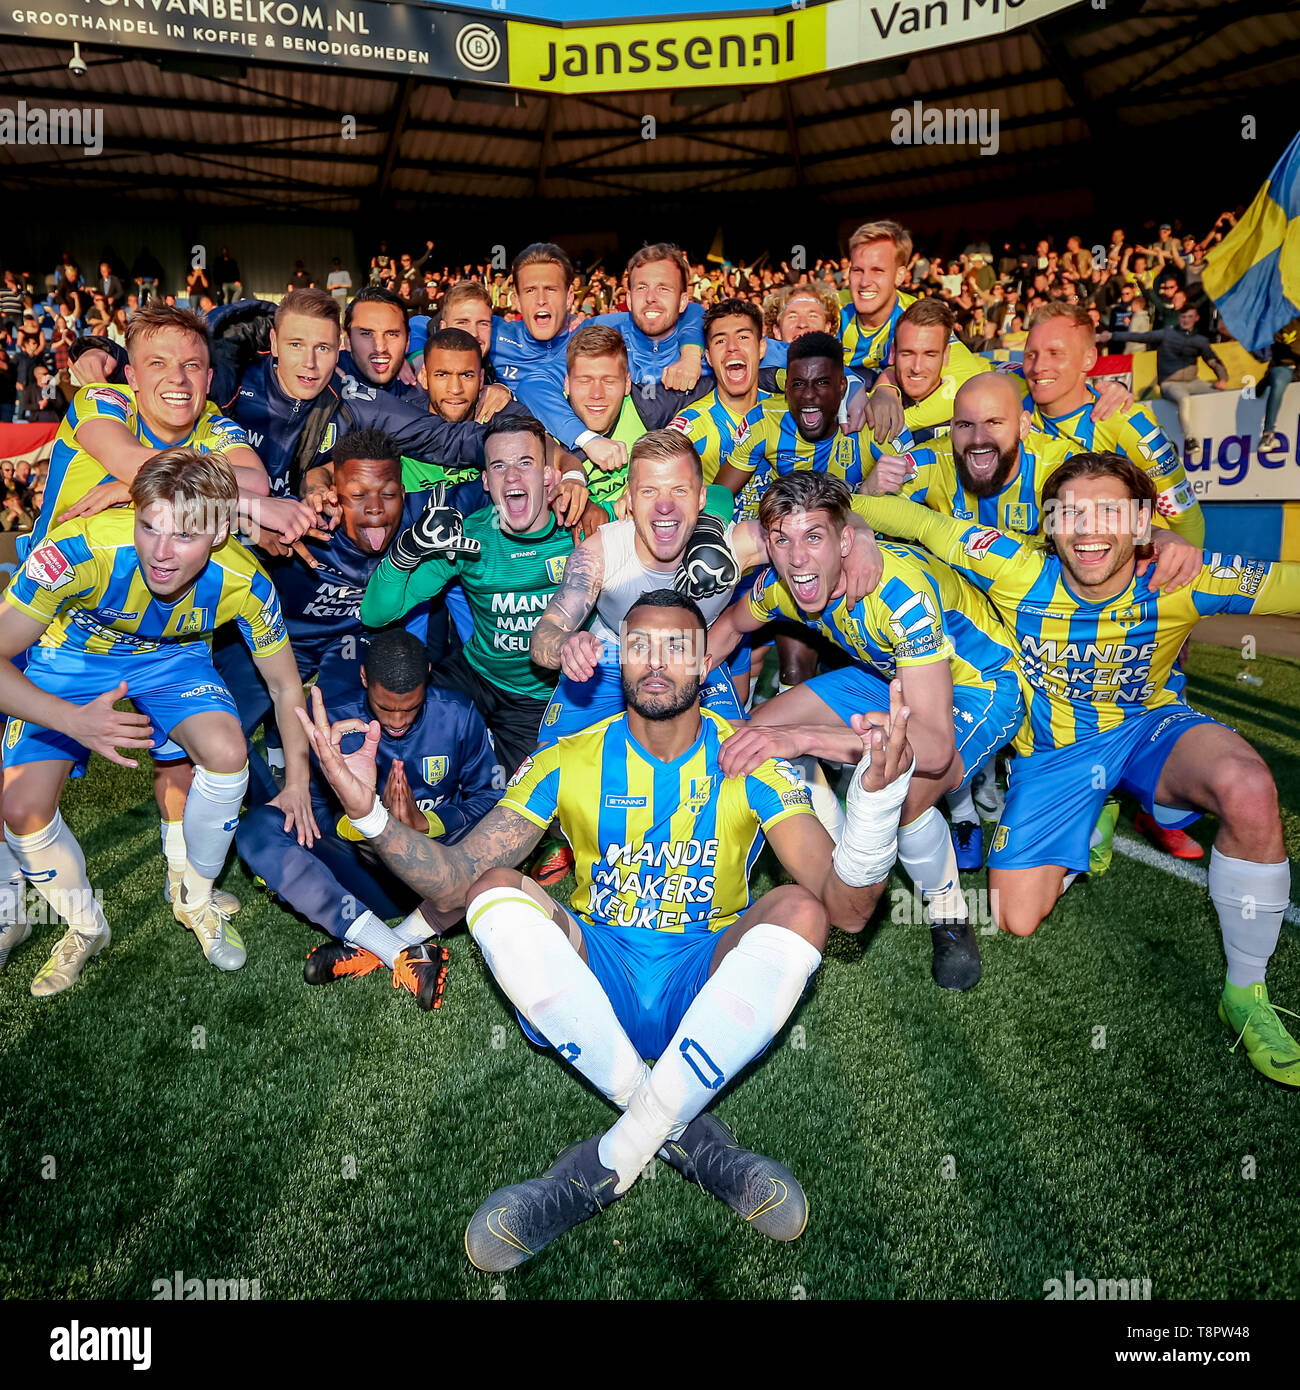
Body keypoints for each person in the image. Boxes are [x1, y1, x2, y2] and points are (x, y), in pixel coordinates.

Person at [296, 589, 917, 1268]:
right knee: (495, 892)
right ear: (620, 658)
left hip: (705, 985)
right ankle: (686, 1134)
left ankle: (600, 1167)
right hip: (596, 983)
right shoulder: (568, 759)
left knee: (801, 908)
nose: (656, 660)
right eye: (640, 644)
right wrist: (373, 817)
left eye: (677, 646)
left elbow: (849, 910)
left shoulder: (751, 759)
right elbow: (454, 882)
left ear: (706, 663)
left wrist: (878, 806)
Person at [856, 454, 1300, 1087]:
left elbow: (1288, 583)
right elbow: (921, 523)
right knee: (1015, 918)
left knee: (1250, 787)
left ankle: (1247, 996)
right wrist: (847, 519)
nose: (1089, 529)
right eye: (1072, 513)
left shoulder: (1184, 576)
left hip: (1149, 731)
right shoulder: (1015, 567)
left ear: (1144, 520)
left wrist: (1181, 543)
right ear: (1049, 522)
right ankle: (1097, 815)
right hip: (1053, 761)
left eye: (1110, 511)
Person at [0, 450, 314, 995]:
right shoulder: (79, 549)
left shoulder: (244, 580)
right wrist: (72, 720)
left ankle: (195, 899)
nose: (162, 553)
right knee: (21, 811)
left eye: (185, 536)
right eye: (150, 527)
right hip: (74, 658)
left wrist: (299, 782)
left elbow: (286, 685)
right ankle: (85, 924)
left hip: (172, 660)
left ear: (219, 533)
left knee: (227, 750)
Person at [709, 472, 1025, 988]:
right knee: (750, 739)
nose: (798, 559)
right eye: (783, 540)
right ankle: (836, 858)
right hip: (888, 674)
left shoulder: (897, 595)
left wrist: (807, 738)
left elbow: (935, 747)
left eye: (814, 536)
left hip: (978, 685)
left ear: (845, 541)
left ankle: (949, 916)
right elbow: (725, 632)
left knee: (906, 792)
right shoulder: (782, 585)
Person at [237, 628, 497, 1006]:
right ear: (363, 680)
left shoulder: (457, 715)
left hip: (438, 880)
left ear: (427, 676)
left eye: (409, 708)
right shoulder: (336, 726)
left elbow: (491, 798)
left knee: (503, 848)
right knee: (258, 829)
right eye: (386, 707)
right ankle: (398, 951)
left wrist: (428, 825)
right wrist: (367, 822)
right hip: (363, 878)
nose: (396, 720)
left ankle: (376, 947)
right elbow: (314, 811)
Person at [362, 416, 576, 779]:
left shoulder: (581, 530)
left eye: (525, 463)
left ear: (547, 475)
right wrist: (407, 550)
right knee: (398, 714)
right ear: (486, 482)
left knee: (515, 800)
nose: (512, 477)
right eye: (498, 466)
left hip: (539, 695)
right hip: (476, 673)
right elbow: (376, 614)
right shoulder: (469, 537)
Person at [1022, 303, 1203, 546]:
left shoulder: (1130, 425)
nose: (1038, 366)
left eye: (1055, 353)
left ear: (1089, 358)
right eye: (1030, 355)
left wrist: (1180, 576)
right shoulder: (1011, 394)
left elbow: (1185, 515)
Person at [1099, 307, 1234, 407]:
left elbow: (1213, 361)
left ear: (1196, 318)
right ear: (1179, 318)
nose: (1186, 320)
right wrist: (1113, 335)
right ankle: (1191, 440)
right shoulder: (1166, 334)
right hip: (1170, 384)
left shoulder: (1200, 340)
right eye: (1183, 317)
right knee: (1184, 399)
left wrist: (1222, 378)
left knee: (1222, 394)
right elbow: (1140, 336)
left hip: (1192, 382)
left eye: (1189, 317)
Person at [1258, 316, 1300, 453]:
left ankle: (1266, 381)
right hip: (1286, 367)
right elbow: (1277, 352)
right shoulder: (1282, 322)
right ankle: (1268, 433)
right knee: (1279, 381)